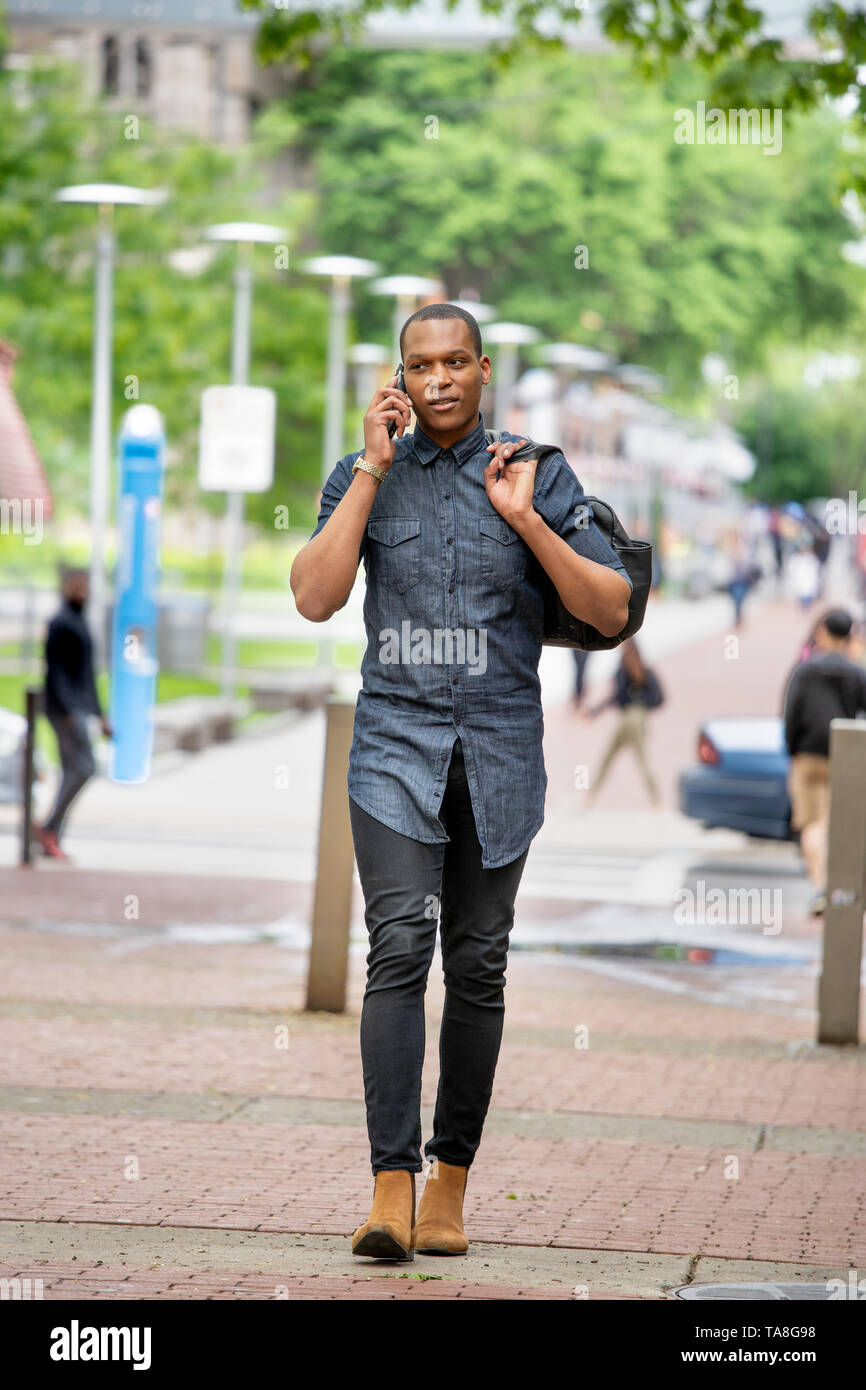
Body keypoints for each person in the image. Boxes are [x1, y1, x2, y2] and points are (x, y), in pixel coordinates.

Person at [290, 303, 632, 1261]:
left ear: (482, 370)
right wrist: (369, 468)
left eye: (454, 363)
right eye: (419, 365)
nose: (438, 379)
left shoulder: (538, 472)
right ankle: (388, 1189)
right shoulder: (367, 475)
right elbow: (315, 596)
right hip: (394, 745)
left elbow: (610, 606)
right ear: (399, 376)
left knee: (477, 963)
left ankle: (450, 1182)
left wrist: (525, 519)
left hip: (498, 751)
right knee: (400, 944)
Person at [782, 608, 866, 915]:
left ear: (824, 632)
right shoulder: (855, 671)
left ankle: (820, 887)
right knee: (833, 824)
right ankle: (836, 887)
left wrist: (792, 748)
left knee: (811, 824)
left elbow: (790, 712)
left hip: (807, 754)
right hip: (844, 754)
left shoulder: (805, 669)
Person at [35, 568, 112, 861]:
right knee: (82, 767)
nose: (83, 591)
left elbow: (87, 675)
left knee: (79, 769)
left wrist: (100, 714)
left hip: (79, 708)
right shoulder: (60, 622)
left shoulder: (79, 621)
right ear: (66, 587)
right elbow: (54, 672)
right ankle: (50, 829)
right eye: (76, 585)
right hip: (65, 710)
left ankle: (50, 831)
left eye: (85, 585)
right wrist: (68, 709)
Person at [583, 638, 664, 806]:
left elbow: (616, 696)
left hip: (630, 717)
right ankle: (657, 800)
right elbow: (659, 699)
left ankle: (590, 797)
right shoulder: (640, 669)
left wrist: (595, 711)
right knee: (642, 759)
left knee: (609, 757)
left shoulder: (629, 670)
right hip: (637, 718)